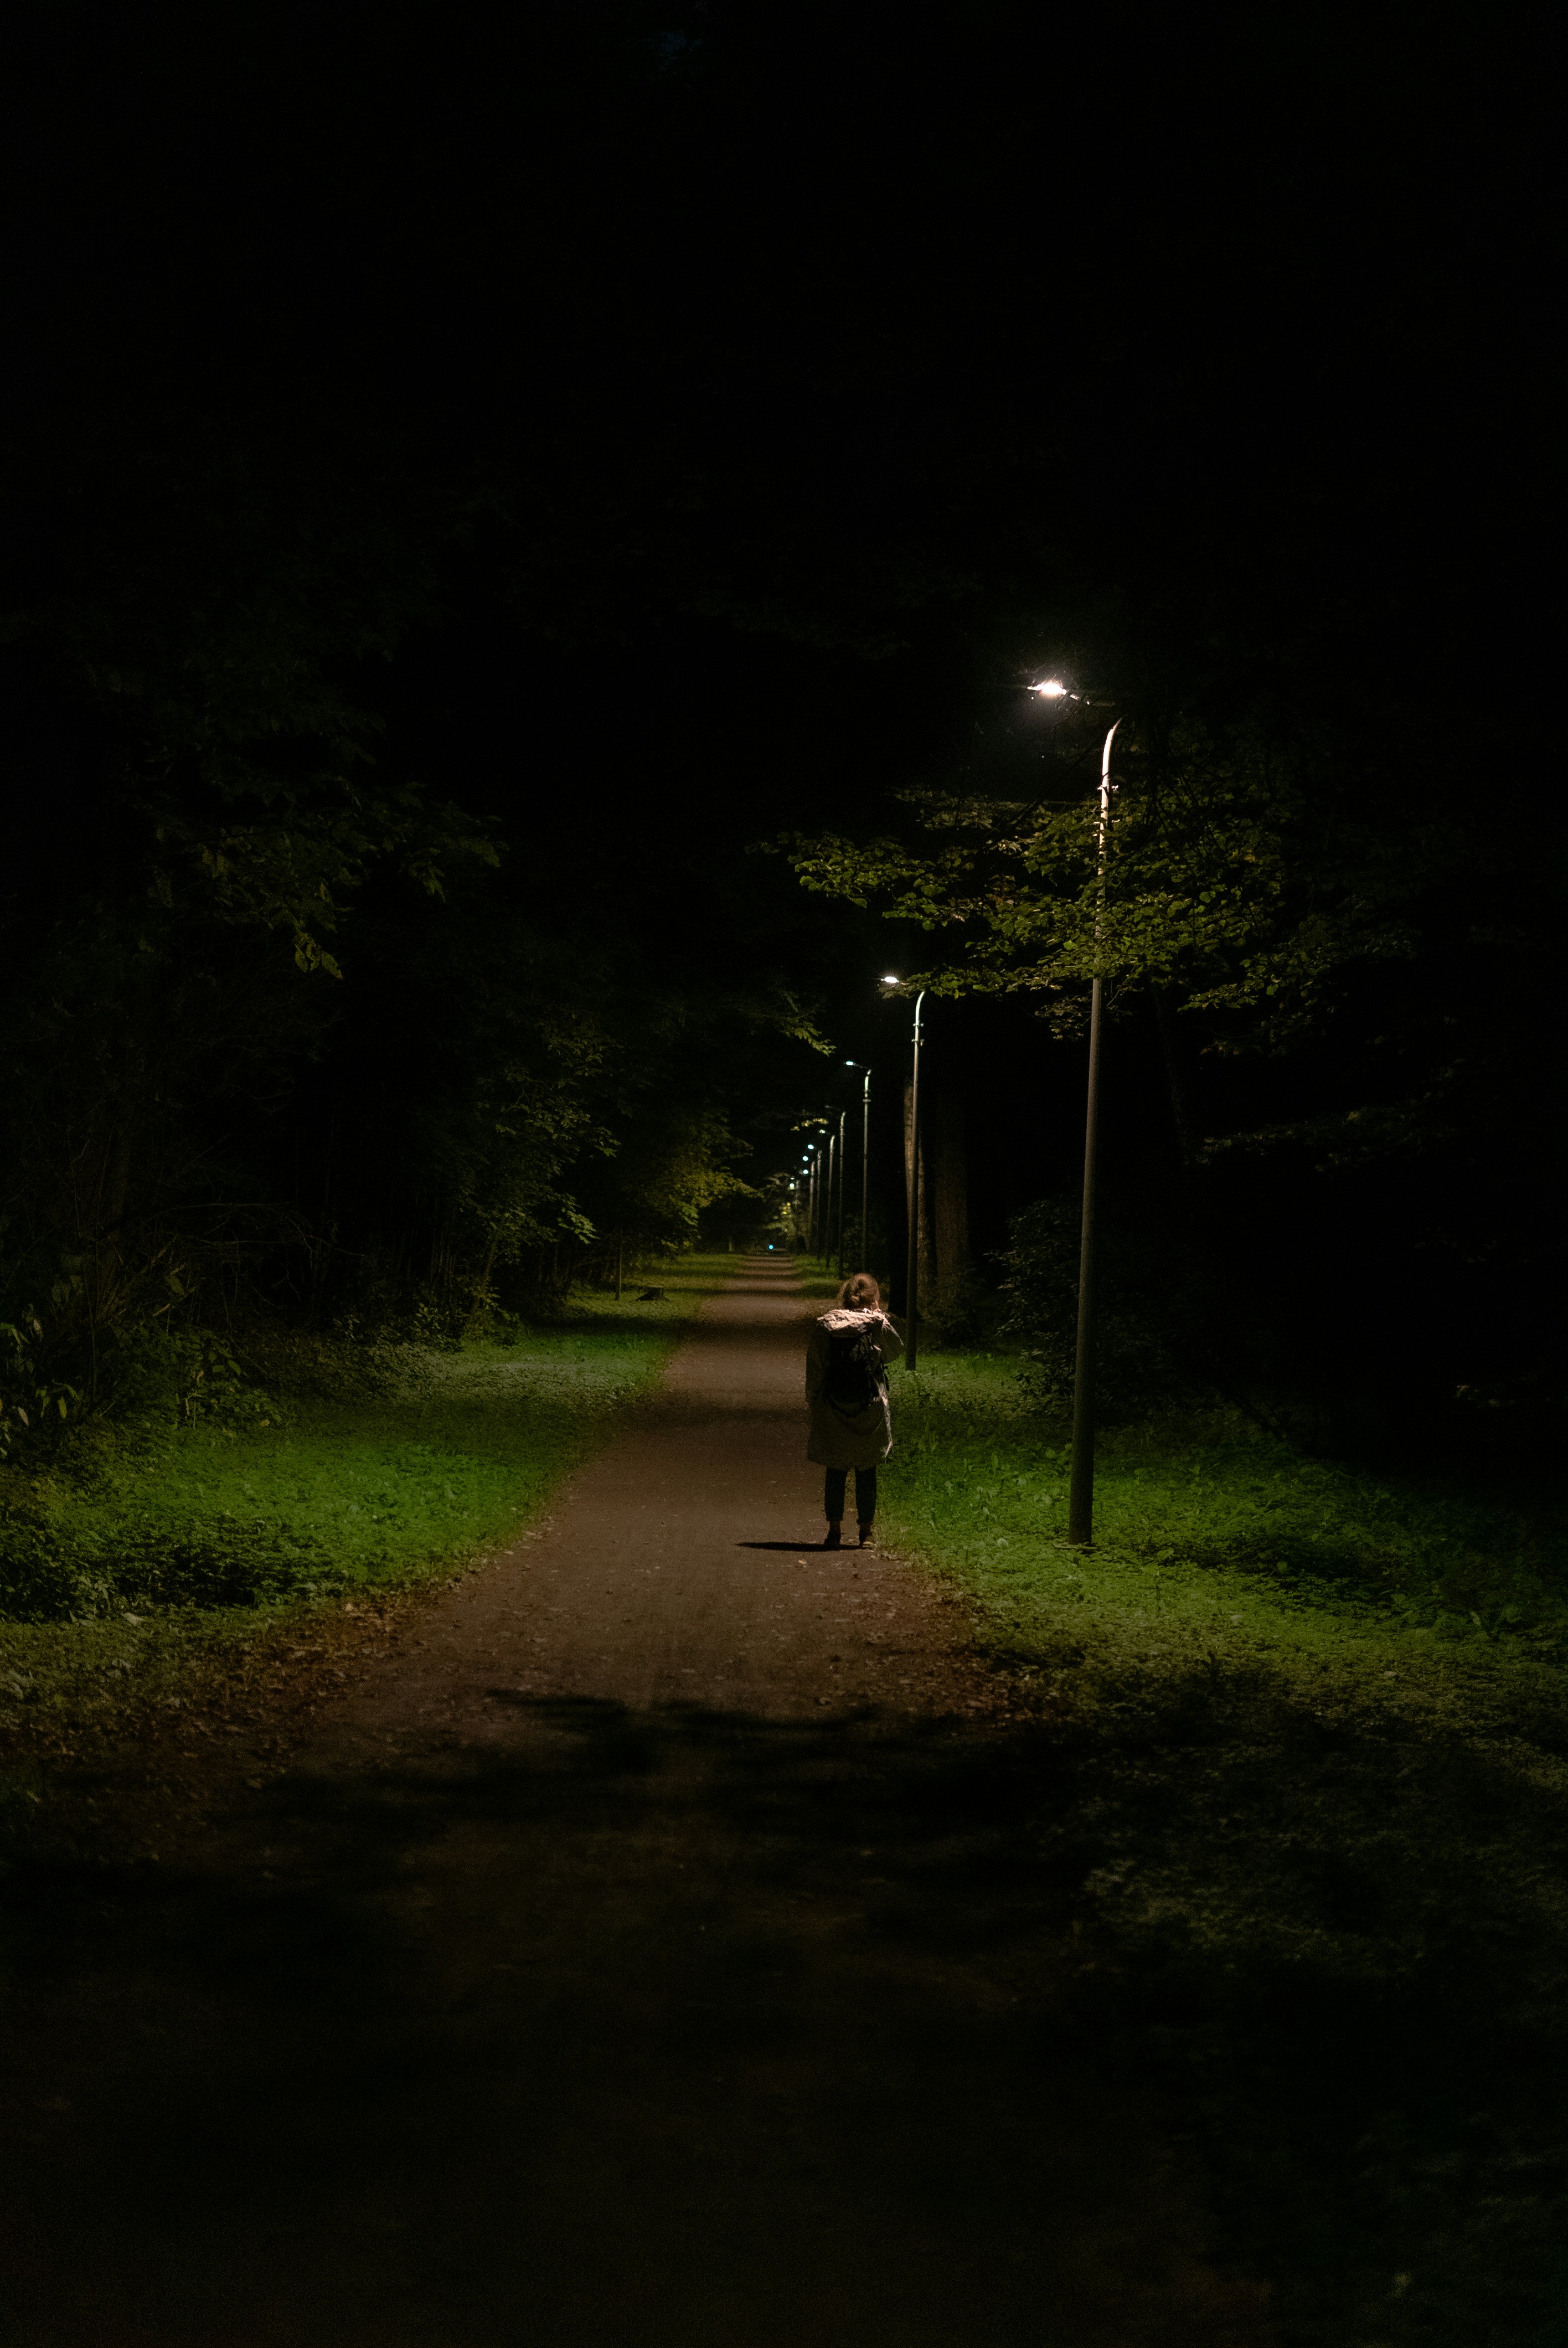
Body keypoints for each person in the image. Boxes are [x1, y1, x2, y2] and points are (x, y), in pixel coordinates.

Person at [805, 1271, 904, 1549]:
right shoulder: (876, 1324)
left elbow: (816, 1366)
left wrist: (813, 1401)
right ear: (875, 1298)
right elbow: (896, 1352)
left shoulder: (827, 1325)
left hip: (833, 1405)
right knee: (866, 1468)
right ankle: (866, 1533)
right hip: (868, 1405)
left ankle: (834, 1531)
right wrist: (879, 1317)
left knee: (835, 1469)